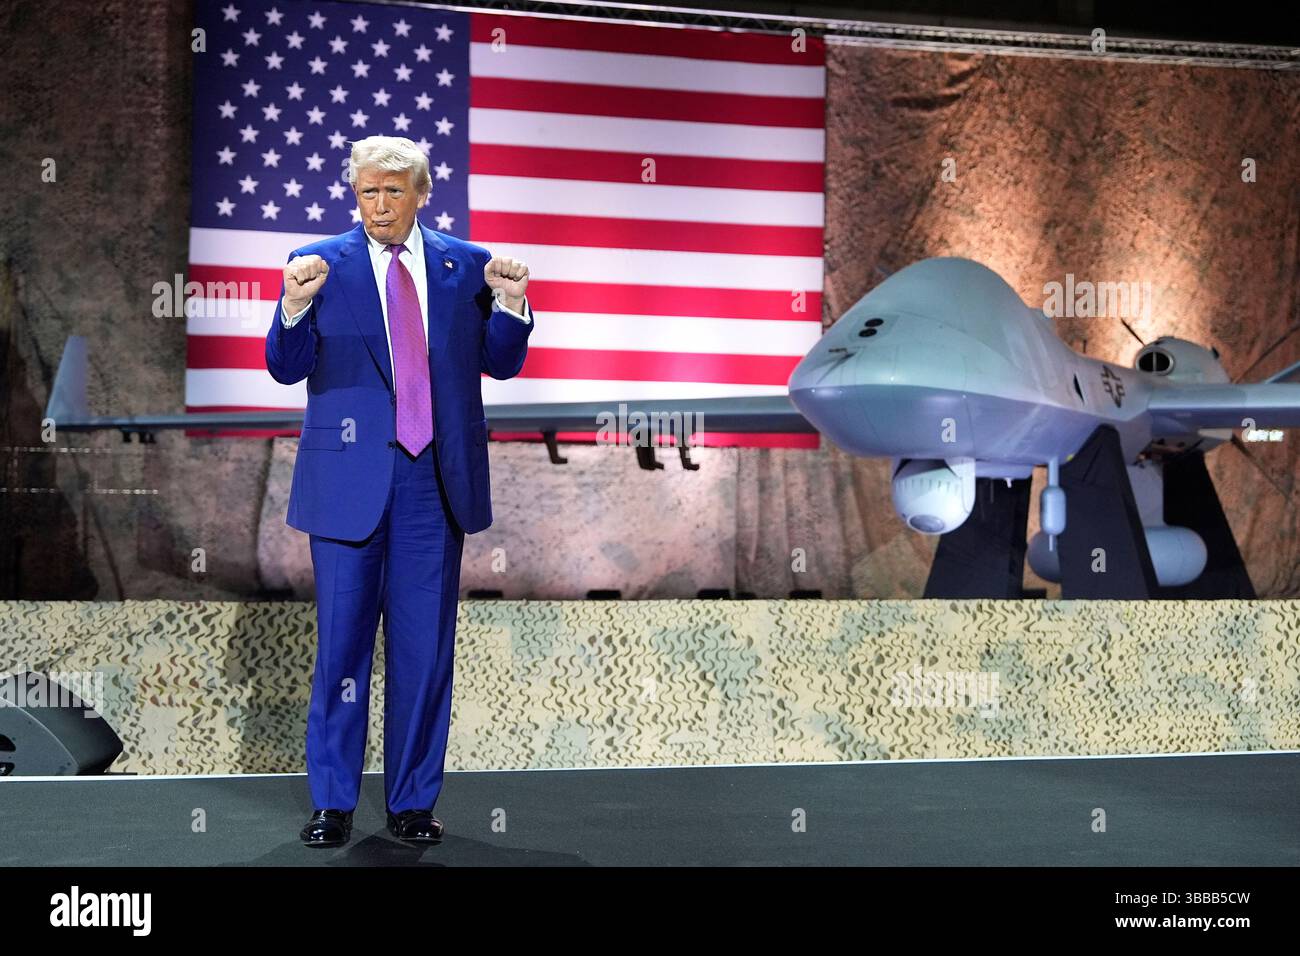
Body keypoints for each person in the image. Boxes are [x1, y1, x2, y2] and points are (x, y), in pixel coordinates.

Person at [264, 135, 534, 847]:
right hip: (348, 486)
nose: (378, 206)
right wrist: (292, 306)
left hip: (431, 487)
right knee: (341, 652)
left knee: (424, 652)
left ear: (421, 192)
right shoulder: (320, 263)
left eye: (392, 191)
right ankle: (332, 802)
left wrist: (512, 304)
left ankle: (413, 802)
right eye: (366, 192)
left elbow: (501, 366)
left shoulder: (466, 266)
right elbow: (285, 368)